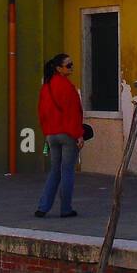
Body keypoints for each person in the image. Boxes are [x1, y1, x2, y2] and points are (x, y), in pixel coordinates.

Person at [35, 53, 84, 219]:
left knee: (54, 171)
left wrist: (47, 133)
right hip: (67, 134)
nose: (72, 67)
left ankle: (43, 207)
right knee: (67, 171)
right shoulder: (67, 87)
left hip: (51, 134)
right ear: (59, 68)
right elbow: (74, 113)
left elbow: (42, 112)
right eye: (68, 65)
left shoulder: (46, 87)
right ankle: (66, 209)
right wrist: (79, 135)